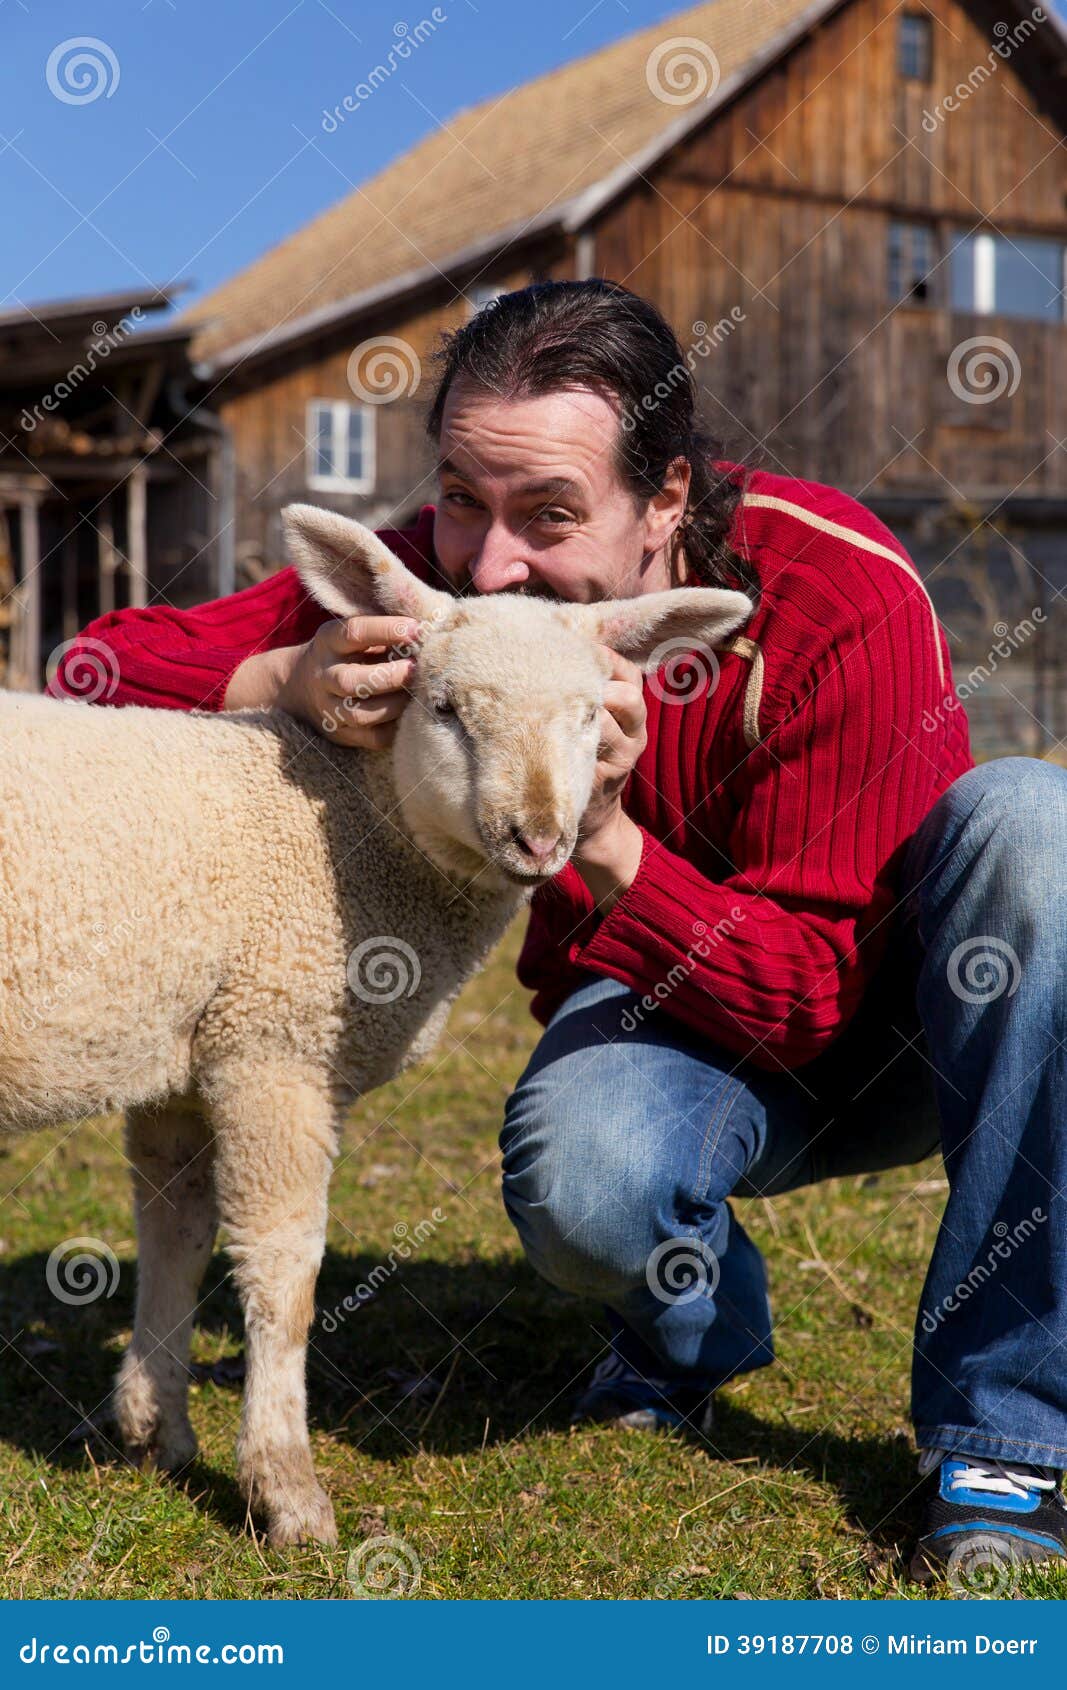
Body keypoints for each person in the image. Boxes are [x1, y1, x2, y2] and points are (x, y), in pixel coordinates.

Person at [51, 280, 1067, 1581]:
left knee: (1036, 821)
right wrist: (279, 677)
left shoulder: (839, 596)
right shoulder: (458, 587)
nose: (487, 560)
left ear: (664, 502)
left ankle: (1004, 1433)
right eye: (463, 497)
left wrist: (601, 839)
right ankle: (684, 1331)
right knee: (585, 1170)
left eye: (547, 514)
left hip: (905, 1020)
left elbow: (813, 1002)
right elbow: (95, 671)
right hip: (666, 1007)